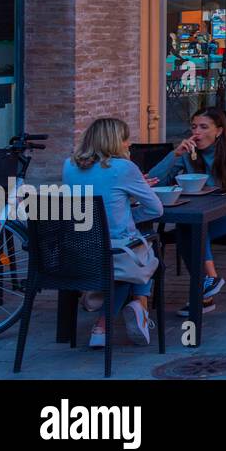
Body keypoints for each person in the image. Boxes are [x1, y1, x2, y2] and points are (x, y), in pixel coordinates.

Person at [63, 117, 164, 348]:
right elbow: (155, 209)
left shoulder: (68, 165)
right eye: (126, 139)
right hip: (114, 254)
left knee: (131, 250)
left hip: (78, 251)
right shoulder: (124, 168)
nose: (129, 144)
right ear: (115, 141)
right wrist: (131, 208)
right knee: (140, 253)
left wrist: (125, 199)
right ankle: (118, 316)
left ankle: (134, 311)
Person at [147, 107, 226, 316]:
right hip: (199, 214)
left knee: (192, 229)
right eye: (194, 127)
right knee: (188, 228)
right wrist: (174, 154)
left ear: (219, 131)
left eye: (204, 127)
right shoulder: (187, 154)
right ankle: (208, 285)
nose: (197, 132)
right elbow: (152, 182)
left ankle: (205, 291)